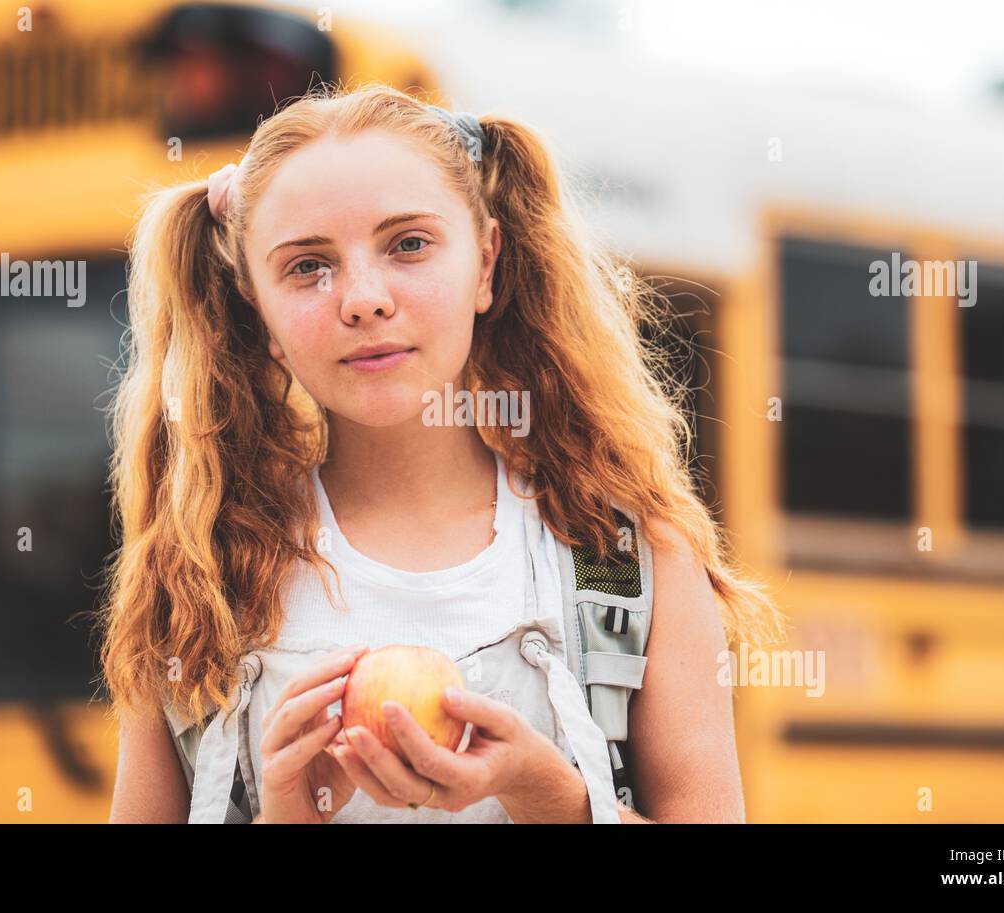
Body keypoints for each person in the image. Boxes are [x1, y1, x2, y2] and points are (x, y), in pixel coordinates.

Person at [102, 81, 786, 824]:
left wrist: (546, 792)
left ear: (486, 263)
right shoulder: (199, 575)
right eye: (307, 266)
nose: (362, 297)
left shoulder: (626, 558)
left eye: (408, 245)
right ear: (258, 310)